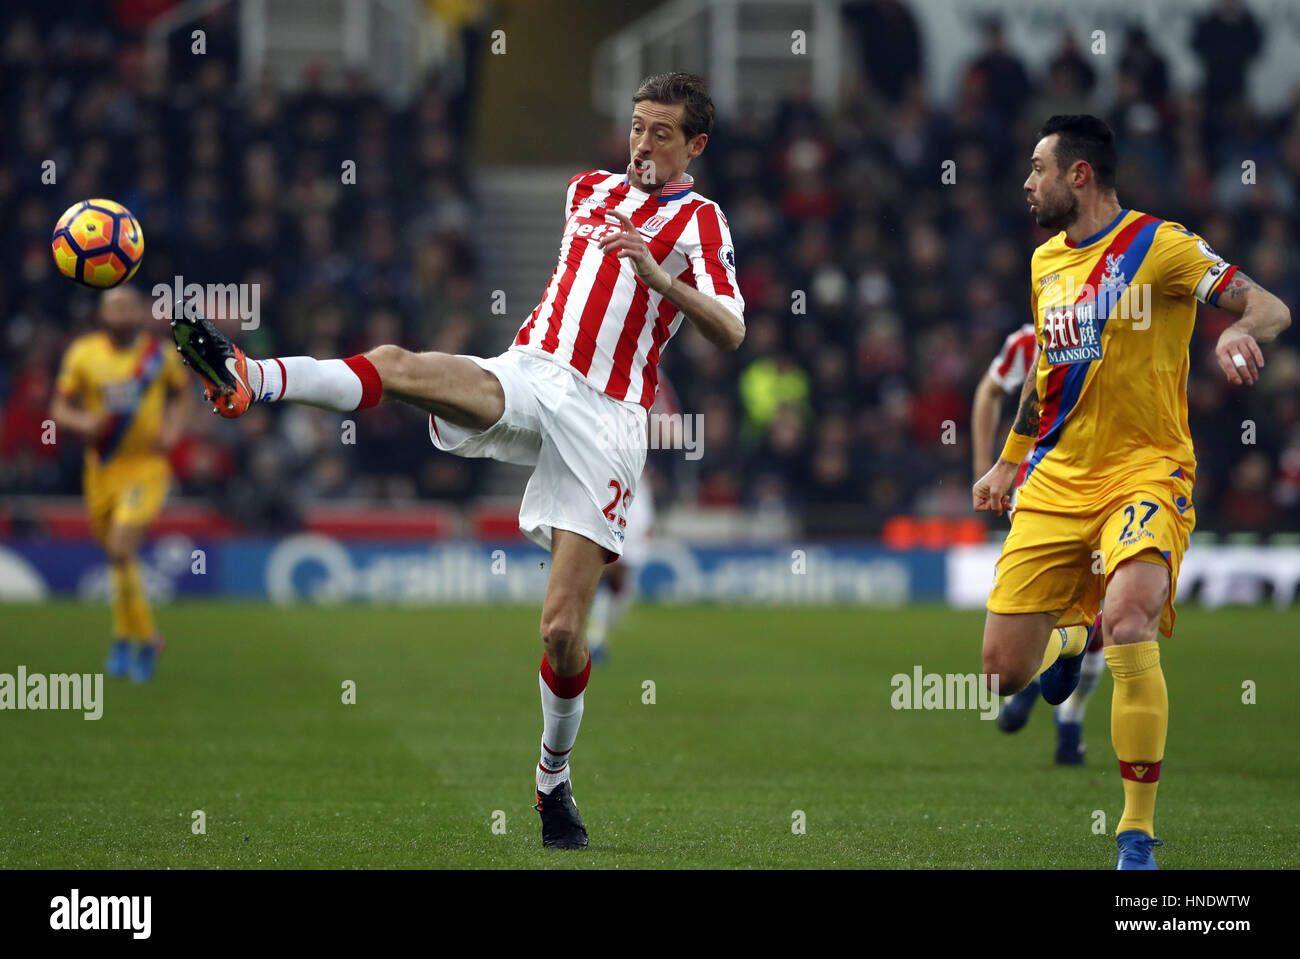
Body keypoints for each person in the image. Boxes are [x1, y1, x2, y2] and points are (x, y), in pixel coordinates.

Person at [169, 72, 745, 851]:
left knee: (560, 632)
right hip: (529, 371)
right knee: (401, 363)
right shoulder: (587, 189)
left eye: (662, 133)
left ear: (695, 145)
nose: (643, 143)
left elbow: (732, 330)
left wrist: (661, 277)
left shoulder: (702, 223)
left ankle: (552, 779)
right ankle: (249, 378)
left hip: (607, 420)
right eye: (637, 126)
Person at [973, 115, 1289, 869]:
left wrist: (1240, 332)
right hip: (1056, 478)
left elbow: (1269, 306)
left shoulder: (1162, 246)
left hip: (1146, 471)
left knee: (1132, 619)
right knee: (1002, 671)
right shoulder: (1047, 260)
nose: (1027, 182)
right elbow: (1047, 377)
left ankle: (1135, 834)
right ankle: (1073, 640)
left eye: (1038, 168)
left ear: (1079, 175)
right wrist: (1008, 462)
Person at [972, 323, 1105, 764]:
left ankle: (1069, 719)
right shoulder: (1029, 340)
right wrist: (989, 465)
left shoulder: (1135, 326)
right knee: (1044, 608)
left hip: (1112, 487)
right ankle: (1033, 679)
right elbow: (989, 392)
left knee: (1107, 616)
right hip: (1039, 488)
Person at [49, 285, 193, 681]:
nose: (123, 313)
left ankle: (143, 639)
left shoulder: (159, 355)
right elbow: (58, 408)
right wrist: (83, 422)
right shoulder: (83, 355)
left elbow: (184, 394)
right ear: (103, 315)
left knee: (120, 547)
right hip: (101, 467)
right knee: (118, 559)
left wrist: (173, 427)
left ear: (139, 314)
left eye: (130, 306)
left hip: (145, 467)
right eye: (115, 306)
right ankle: (129, 634)